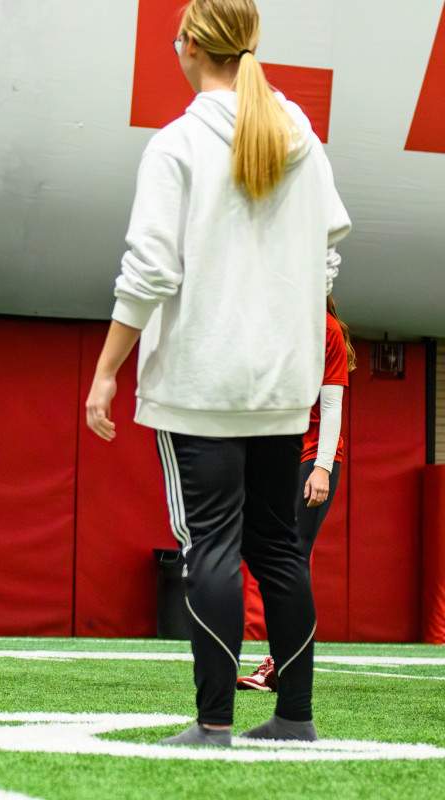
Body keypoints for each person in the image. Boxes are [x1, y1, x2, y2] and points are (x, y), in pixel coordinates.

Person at [84, 0, 351, 747]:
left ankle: (213, 724)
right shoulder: (301, 136)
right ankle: (294, 719)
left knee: (212, 548)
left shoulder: (176, 144)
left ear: (192, 46)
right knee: (278, 549)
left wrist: (106, 371)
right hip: (282, 383)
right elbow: (328, 249)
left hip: (201, 381)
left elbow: (148, 271)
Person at [238, 297, 356, 691]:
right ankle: (285, 659)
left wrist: (322, 467)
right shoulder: (273, 319)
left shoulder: (326, 328)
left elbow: (332, 403)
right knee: (272, 556)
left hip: (314, 455)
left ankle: (283, 661)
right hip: (280, 450)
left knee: (291, 556)